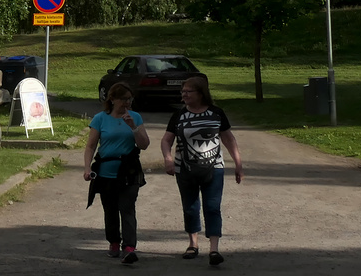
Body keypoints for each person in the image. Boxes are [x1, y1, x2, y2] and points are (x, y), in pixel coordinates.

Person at [162, 74, 243, 267]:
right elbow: (166, 140)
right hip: (184, 168)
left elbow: (228, 138)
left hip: (214, 168)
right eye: (183, 91)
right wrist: (168, 159)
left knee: (212, 207)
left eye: (188, 91)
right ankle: (193, 244)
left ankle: (214, 249)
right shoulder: (179, 115)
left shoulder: (216, 113)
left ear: (200, 93)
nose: (184, 95)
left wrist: (238, 163)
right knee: (190, 207)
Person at [84, 81, 150, 264]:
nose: (127, 103)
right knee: (110, 209)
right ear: (112, 99)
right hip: (106, 172)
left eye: (130, 99)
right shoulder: (100, 119)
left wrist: (133, 127)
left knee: (127, 208)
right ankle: (114, 242)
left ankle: (129, 247)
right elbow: (90, 146)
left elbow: (144, 144)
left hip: (129, 171)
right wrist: (87, 167)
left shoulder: (135, 117)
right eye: (124, 99)